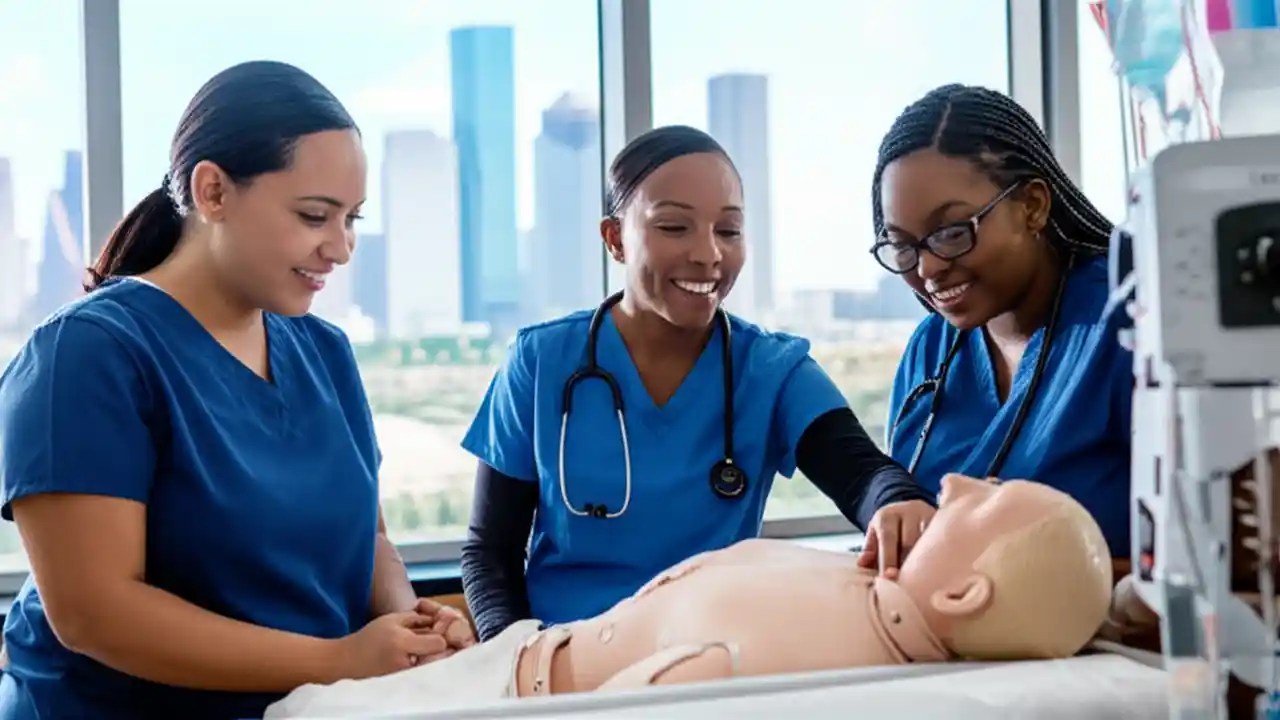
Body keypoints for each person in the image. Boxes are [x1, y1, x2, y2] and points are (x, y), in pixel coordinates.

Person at [0, 61, 467, 720]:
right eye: (314, 216)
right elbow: (92, 614)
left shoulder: (324, 352)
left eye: (353, 219)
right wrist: (337, 661)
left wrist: (408, 624)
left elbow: (367, 540)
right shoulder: (88, 355)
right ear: (213, 191)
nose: (341, 248)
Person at [461, 125, 936, 641]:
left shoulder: (772, 370)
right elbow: (490, 550)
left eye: (728, 231)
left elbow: (862, 473)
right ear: (615, 238)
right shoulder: (541, 362)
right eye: (673, 227)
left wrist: (896, 503)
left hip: (711, 659)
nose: (708, 254)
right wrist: (512, 659)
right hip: (563, 665)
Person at [265, 472, 1114, 718]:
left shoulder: (821, 664)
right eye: (675, 224)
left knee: (304, 711)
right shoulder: (866, 590)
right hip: (507, 651)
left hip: (525, 690)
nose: (954, 482)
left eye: (983, 504)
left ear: (961, 596)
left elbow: (853, 459)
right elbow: (488, 545)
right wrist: (491, 637)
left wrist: (884, 494)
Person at [871, 84, 1132, 560]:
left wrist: (1016, 586)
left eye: (952, 232)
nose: (927, 268)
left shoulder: (1126, 326)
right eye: (904, 245)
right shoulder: (930, 349)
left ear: (1031, 205)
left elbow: (1208, 558)